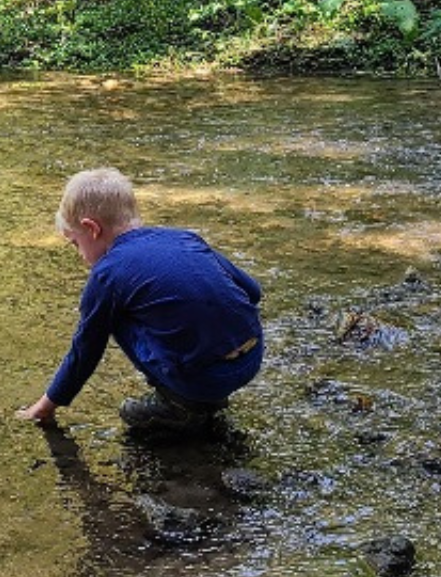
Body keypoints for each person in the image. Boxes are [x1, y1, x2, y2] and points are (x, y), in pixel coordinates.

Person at [17, 167, 264, 435]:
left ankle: (178, 404)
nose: (79, 254)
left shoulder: (107, 274)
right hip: (251, 359)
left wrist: (43, 408)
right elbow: (252, 291)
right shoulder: (184, 237)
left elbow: (85, 352)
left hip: (202, 381)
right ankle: (202, 394)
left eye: (75, 243)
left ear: (92, 228)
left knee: (113, 315)